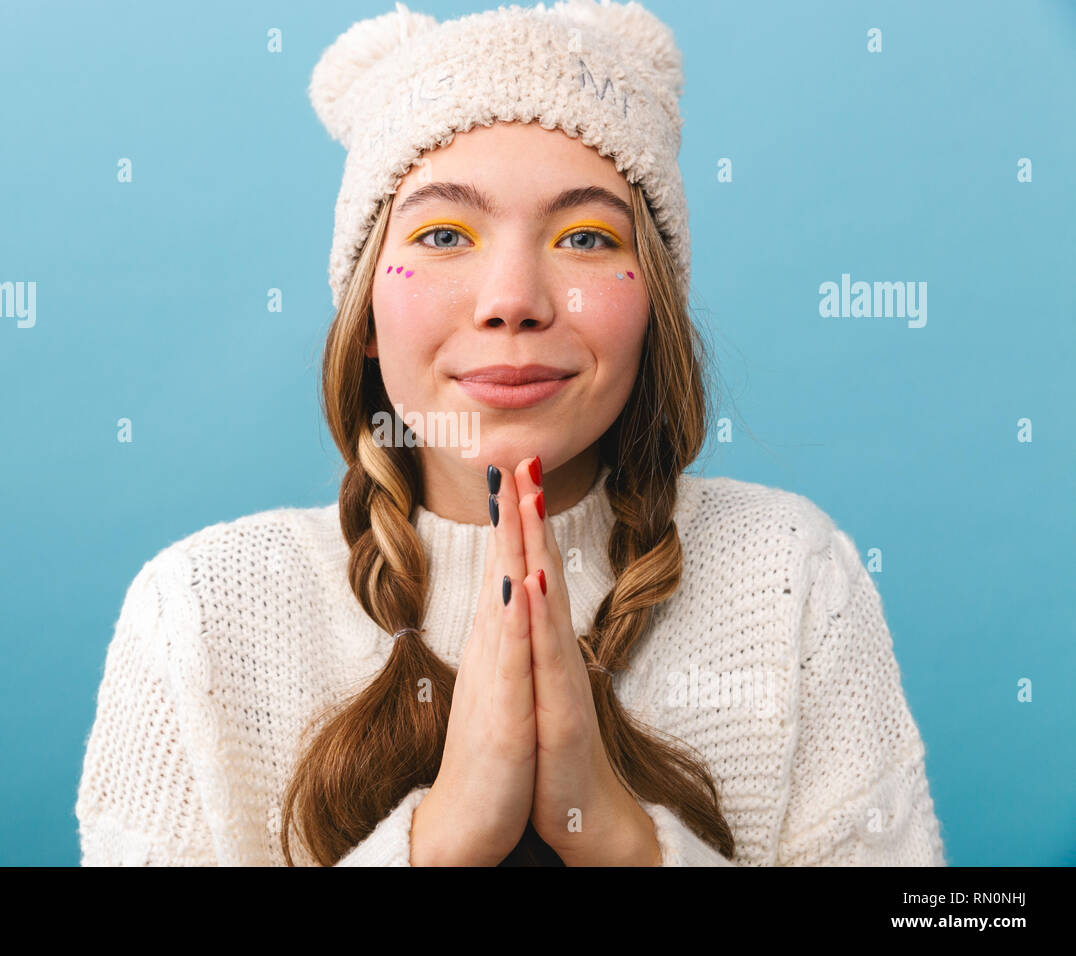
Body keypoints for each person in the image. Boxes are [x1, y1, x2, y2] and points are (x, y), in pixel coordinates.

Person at [74, 0, 947, 866]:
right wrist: (443, 841)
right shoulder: (199, 612)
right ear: (368, 311)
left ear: (654, 307)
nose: (514, 300)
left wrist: (620, 839)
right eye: (445, 233)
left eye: (586, 236)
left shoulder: (788, 574)